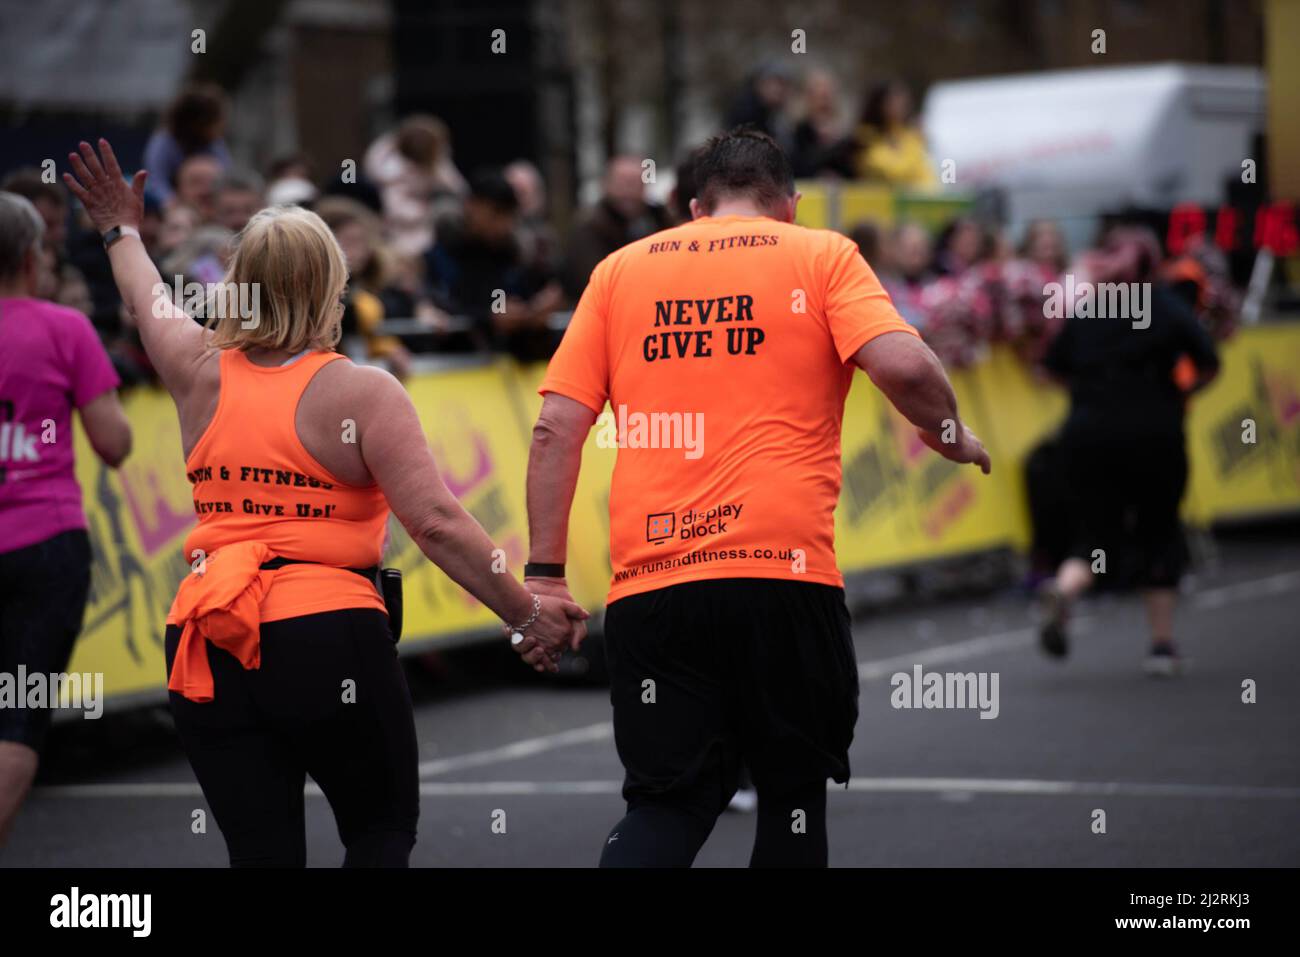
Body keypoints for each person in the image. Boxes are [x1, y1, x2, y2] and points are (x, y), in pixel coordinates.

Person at [62, 139, 587, 867]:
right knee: (378, 834)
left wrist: (118, 229)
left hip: (210, 636)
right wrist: (526, 613)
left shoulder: (195, 369)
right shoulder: (362, 391)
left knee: (262, 854)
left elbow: (145, 297)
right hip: (326, 634)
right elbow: (434, 522)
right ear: (329, 287)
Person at [524, 129, 990, 868]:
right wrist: (949, 432)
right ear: (792, 205)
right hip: (785, 577)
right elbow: (902, 363)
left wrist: (545, 575)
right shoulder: (821, 254)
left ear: (690, 206)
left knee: (665, 805)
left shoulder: (619, 271)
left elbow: (556, 427)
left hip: (656, 583)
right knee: (792, 797)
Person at [0, 191, 133, 844]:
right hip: (43, 544)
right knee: (17, 717)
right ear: (32, 258)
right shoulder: (62, 327)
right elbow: (113, 444)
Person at [1038, 227, 1220, 675]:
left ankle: (1065, 589)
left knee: (1095, 534)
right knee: (1159, 529)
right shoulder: (1167, 306)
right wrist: (1180, 394)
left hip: (1088, 435)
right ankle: (1161, 646)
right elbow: (1209, 362)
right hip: (1153, 433)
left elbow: (1050, 366)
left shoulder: (1087, 310)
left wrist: (1090, 393)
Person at [562, 155, 672, 300]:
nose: (628, 191)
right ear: (606, 184)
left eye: (635, 183)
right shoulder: (590, 227)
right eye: (622, 183)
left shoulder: (659, 219)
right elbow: (593, 278)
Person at [142, 83, 232, 206]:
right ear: (199, 122)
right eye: (217, 121)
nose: (222, 126)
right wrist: (172, 204)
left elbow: (226, 176)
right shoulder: (164, 142)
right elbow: (156, 181)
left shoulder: (215, 144)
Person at [856, 79, 937, 188]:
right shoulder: (865, 137)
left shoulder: (910, 135)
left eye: (902, 101)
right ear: (879, 104)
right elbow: (890, 172)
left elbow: (927, 175)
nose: (900, 106)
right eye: (894, 100)